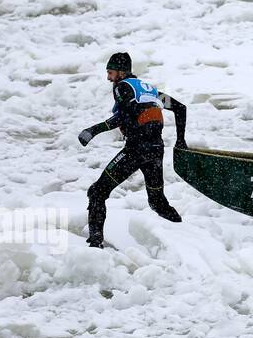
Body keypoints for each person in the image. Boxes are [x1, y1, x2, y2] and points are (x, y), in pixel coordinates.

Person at [78, 52, 186, 248]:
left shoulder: (122, 87)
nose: (108, 78)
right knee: (158, 202)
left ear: (120, 72)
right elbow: (180, 108)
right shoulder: (150, 90)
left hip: (136, 149)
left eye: (110, 72)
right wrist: (180, 142)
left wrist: (93, 131)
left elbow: (124, 118)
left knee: (97, 192)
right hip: (156, 149)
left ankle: (95, 244)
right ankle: (188, 238)